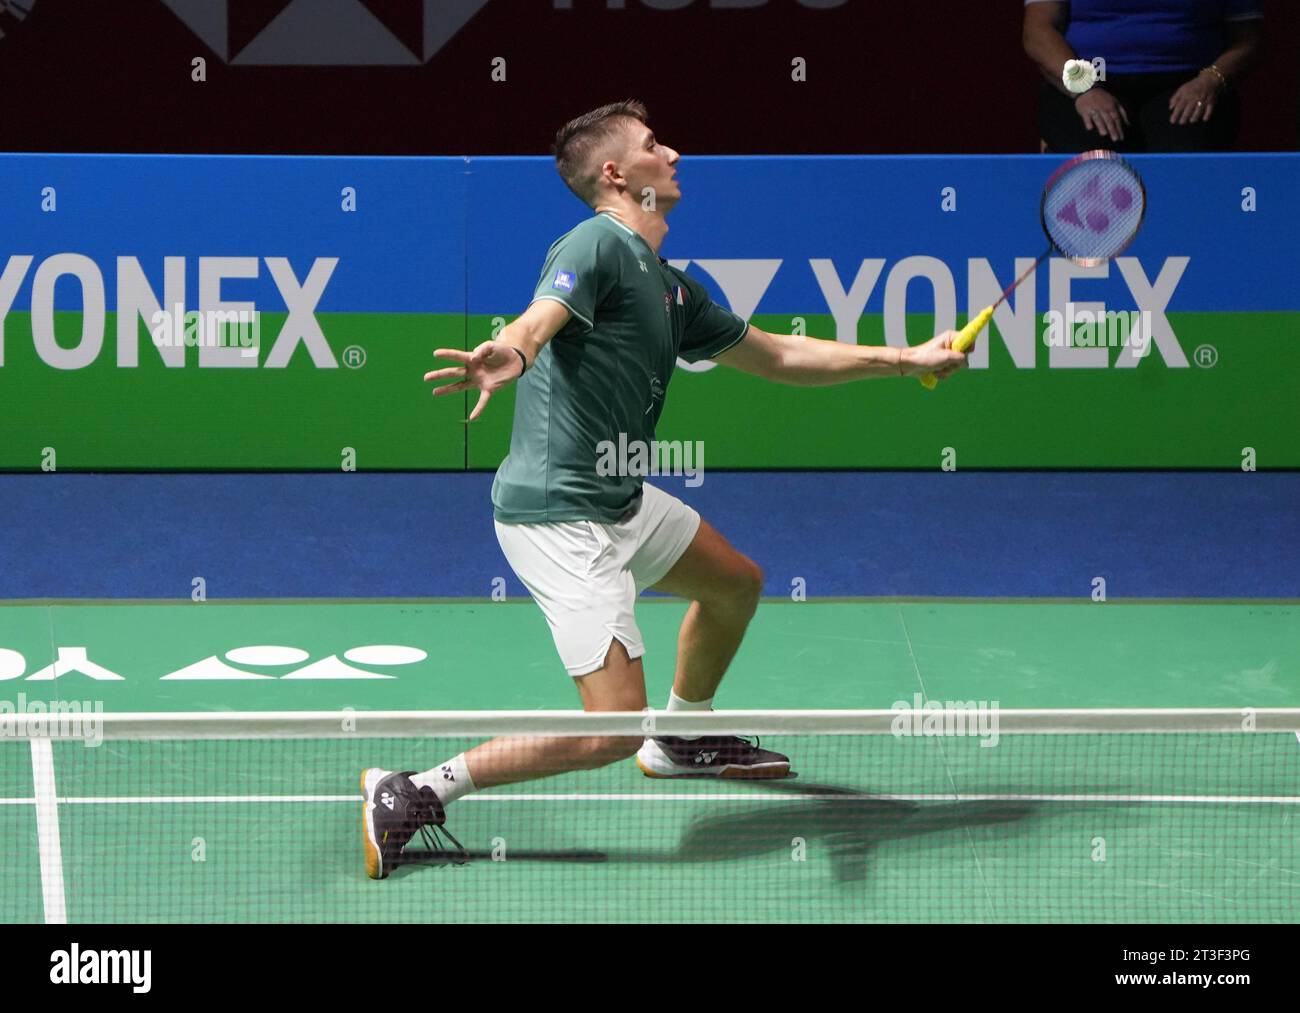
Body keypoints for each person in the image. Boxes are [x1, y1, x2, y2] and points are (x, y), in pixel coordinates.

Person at [360, 100, 969, 879]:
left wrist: (904, 359)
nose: (673, 152)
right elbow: (542, 314)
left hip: (620, 499)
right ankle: (413, 790)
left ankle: (681, 735)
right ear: (617, 174)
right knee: (611, 730)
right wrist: (510, 350)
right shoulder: (598, 242)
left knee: (734, 583)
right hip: (560, 516)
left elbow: (777, 354)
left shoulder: (671, 286)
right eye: (654, 145)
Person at [1023, 0, 1264, 153]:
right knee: (1095, 161)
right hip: (1089, 81)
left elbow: (1247, 41)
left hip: (1190, 84)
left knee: (1186, 156)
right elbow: (1039, 31)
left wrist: (1210, 81)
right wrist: (1085, 89)